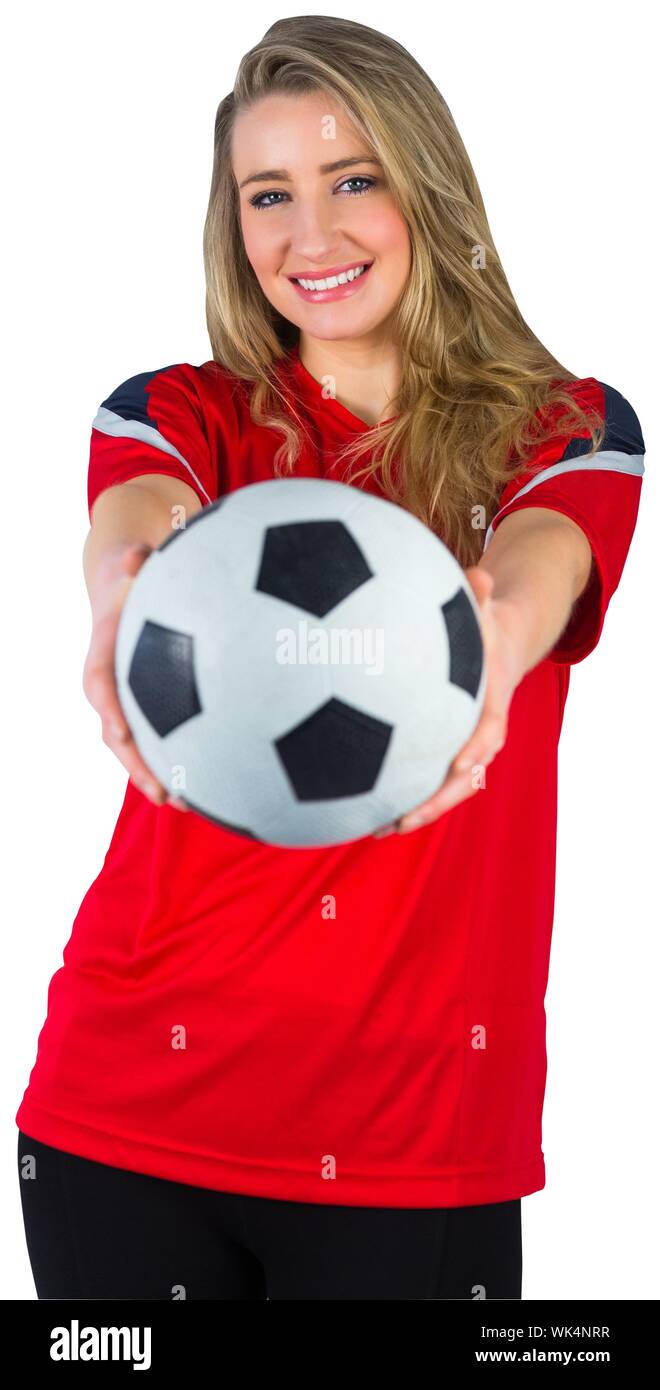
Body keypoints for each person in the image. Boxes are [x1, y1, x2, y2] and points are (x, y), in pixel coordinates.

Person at [15, 15, 645, 1301]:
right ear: (232, 225)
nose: (313, 235)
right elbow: (139, 513)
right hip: (129, 1108)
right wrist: (116, 600)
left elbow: (541, 565)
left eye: (354, 178)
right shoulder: (178, 409)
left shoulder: (570, 425)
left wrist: (489, 648)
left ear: (428, 187)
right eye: (270, 195)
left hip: (419, 1137)